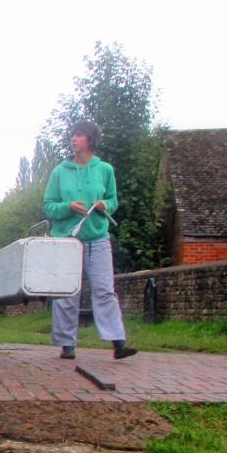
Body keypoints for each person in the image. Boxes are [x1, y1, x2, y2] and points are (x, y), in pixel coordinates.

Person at [43, 120, 137, 361]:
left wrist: (106, 205)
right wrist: (68, 207)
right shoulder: (59, 172)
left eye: (80, 135)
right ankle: (67, 345)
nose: (74, 138)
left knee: (105, 291)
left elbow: (113, 201)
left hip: (98, 238)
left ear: (91, 140)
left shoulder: (105, 170)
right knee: (66, 292)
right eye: (73, 134)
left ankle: (119, 343)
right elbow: (48, 207)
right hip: (66, 241)